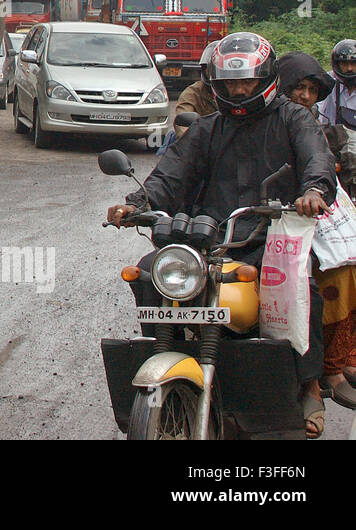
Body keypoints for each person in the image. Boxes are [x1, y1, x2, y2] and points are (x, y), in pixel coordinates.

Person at [105, 33, 336, 437]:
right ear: (217, 83)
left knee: (302, 289)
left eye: (246, 81)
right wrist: (137, 204)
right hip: (207, 238)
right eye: (230, 83)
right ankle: (171, 351)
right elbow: (170, 175)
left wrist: (314, 191)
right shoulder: (207, 128)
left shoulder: (294, 119)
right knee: (147, 271)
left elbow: (317, 157)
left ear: (265, 78)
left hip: (271, 234)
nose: (239, 89)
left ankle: (308, 383)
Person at [278, 51, 356, 411]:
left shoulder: (317, 129)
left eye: (311, 90)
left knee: (342, 269)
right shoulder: (244, 121)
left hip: (305, 216)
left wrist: (313, 192)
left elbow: (320, 169)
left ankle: (330, 367)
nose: (305, 96)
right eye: (298, 87)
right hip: (251, 221)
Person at [173, 41, 218, 136]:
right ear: (203, 68)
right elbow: (183, 126)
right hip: (205, 143)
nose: (215, 74)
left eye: (220, 69)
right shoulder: (192, 94)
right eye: (210, 68)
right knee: (170, 141)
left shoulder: (241, 93)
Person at [319, 38, 356, 130]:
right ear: (336, 64)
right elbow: (318, 106)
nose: (349, 68)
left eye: (354, 63)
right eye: (344, 63)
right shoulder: (328, 80)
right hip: (333, 139)